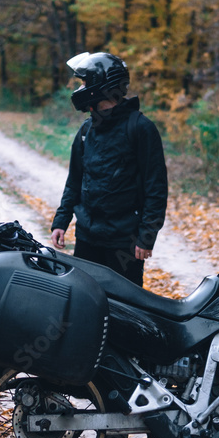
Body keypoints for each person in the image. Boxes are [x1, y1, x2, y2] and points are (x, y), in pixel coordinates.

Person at [50, 52, 168, 287]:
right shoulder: (86, 131)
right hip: (87, 238)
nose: (80, 88)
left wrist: (146, 237)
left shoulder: (141, 128)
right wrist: (61, 221)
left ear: (99, 86)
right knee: (83, 303)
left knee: (126, 310)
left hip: (124, 242)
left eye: (84, 83)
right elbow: (74, 180)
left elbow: (156, 188)